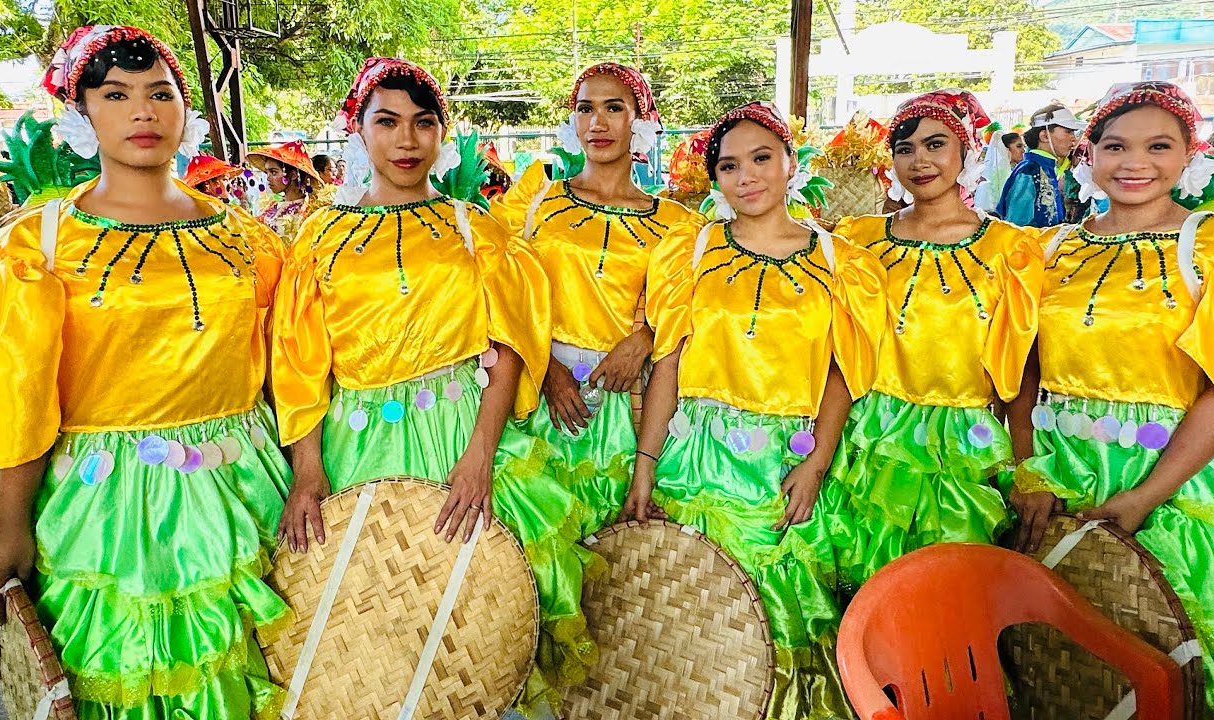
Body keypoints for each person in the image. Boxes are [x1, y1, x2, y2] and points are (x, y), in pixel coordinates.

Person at [0, 25, 291, 718]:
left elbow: (282, 369)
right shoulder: (37, 243)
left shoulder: (247, 239)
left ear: (185, 110)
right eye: (116, 95)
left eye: (160, 93)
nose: (143, 111)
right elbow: (21, 396)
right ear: (81, 113)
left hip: (244, 491)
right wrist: (11, 524)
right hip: (100, 509)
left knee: (254, 675)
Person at [270, 57, 601, 714]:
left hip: (462, 435)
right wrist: (307, 471)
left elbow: (507, 348)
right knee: (373, 623)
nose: (407, 140)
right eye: (387, 122)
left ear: (441, 133)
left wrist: (479, 457)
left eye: (423, 123)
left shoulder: (473, 227)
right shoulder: (319, 237)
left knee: (477, 621)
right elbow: (300, 363)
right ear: (358, 130)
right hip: (358, 451)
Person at [622, 101, 887, 720]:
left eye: (762, 158)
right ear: (714, 177)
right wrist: (645, 465)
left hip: (784, 467)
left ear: (792, 162)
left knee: (782, 621)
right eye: (729, 166)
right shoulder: (691, 253)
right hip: (695, 461)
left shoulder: (842, 263)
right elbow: (668, 365)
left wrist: (817, 463)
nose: (746, 177)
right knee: (691, 624)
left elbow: (841, 374)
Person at [1008, 81, 1214, 717]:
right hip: (1058, 476)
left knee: (1177, 659)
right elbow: (1023, 373)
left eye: (1158, 146)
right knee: (1058, 666)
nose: (1135, 163)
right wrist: (1029, 472)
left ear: (1191, 153)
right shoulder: (1049, 248)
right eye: (1115, 146)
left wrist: (1147, 495)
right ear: (1088, 154)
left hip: (1175, 480)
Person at [824, 90, 1042, 588]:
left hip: (963, 443)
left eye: (935, 144)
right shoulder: (857, 240)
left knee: (952, 586)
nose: (919, 160)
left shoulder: (1010, 248)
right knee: (869, 580)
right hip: (868, 436)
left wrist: (1027, 465)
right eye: (905, 148)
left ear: (966, 152)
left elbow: (1021, 367)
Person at [490, 62, 691, 539]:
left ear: (641, 121)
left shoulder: (677, 224)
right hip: (538, 400)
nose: (597, 123)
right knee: (536, 541)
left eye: (613, 108)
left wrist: (645, 337)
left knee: (615, 546)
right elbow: (500, 294)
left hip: (624, 406)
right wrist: (544, 368)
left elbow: (690, 308)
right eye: (585, 109)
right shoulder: (534, 202)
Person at [996, 103, 1085, 227]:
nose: (1074, 139)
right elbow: (1017, 228)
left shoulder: (1045, 168)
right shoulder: (1029, 170)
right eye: (1068, 131)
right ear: (1044, 136)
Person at [248, 140, 321, 242]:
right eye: (267, 172)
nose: (268, 178)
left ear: (293, 175)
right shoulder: (273, 205)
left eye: (273, 172)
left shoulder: (310, 210)